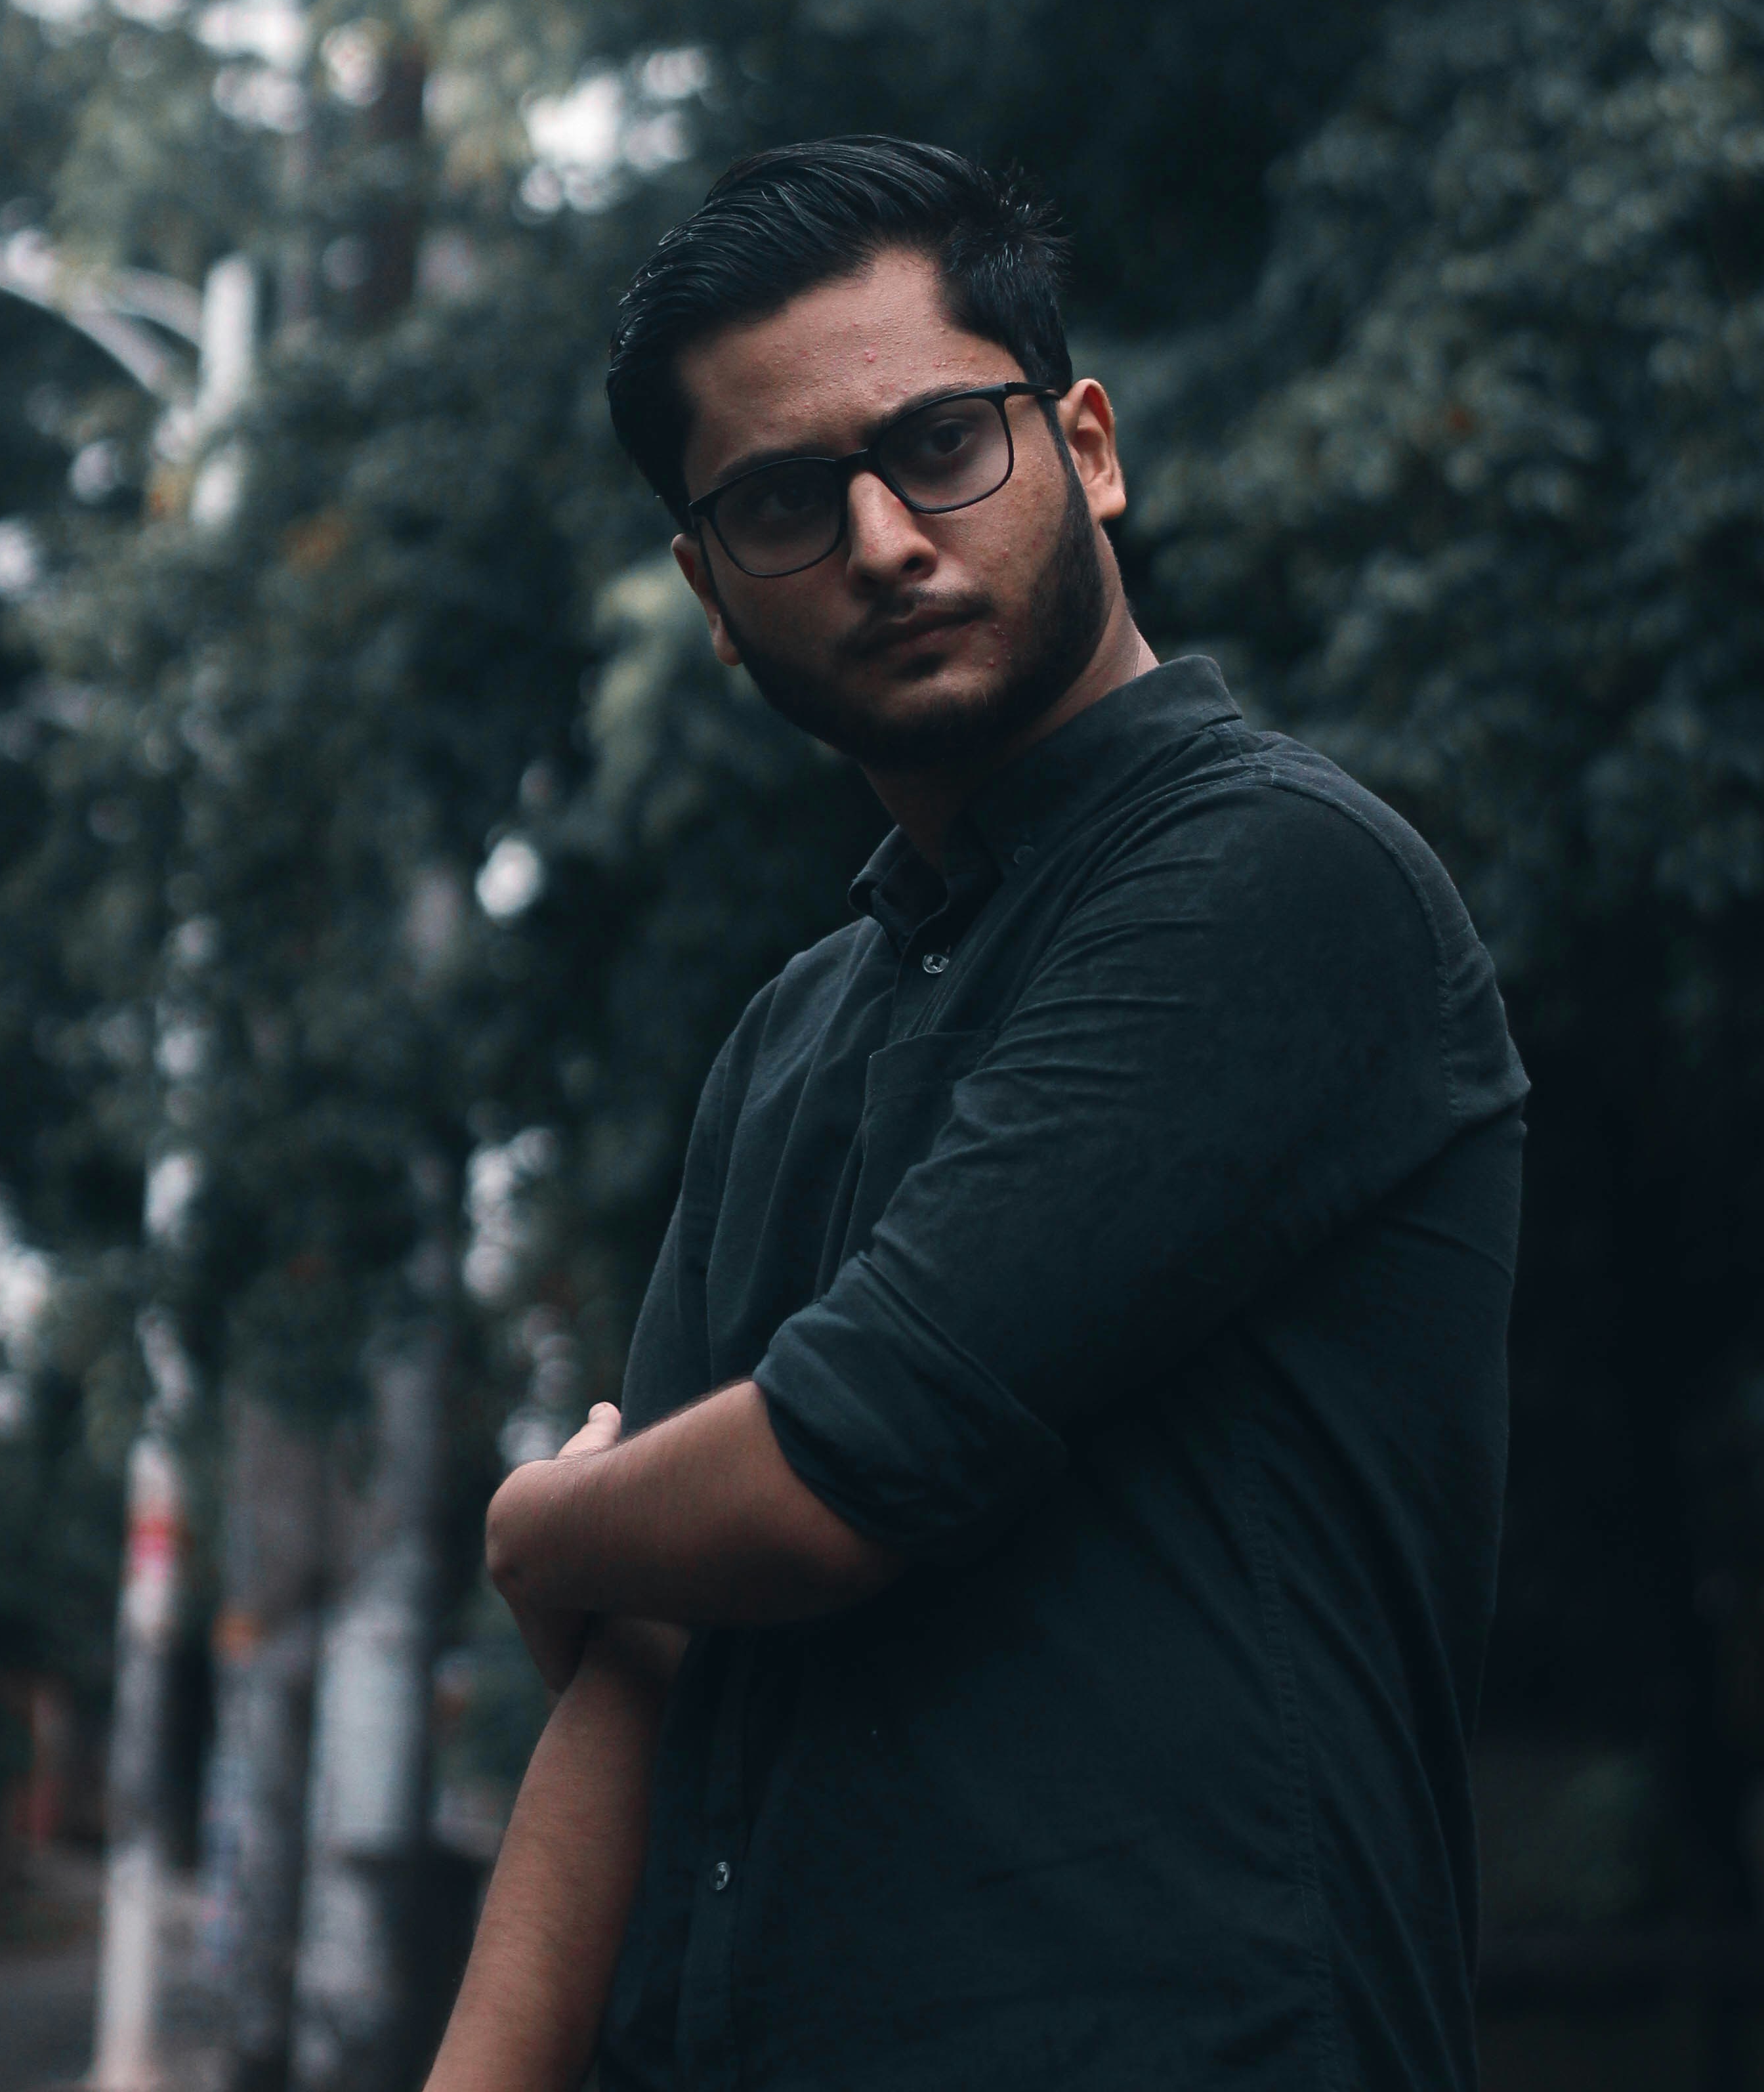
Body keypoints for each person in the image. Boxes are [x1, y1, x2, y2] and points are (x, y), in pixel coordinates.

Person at [430, 137, 1527, 2092]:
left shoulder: (1277, 881)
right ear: (706, 589)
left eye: (942, 443)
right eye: (781, 501)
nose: (880, 539)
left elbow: (837, 1473)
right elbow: (643, 1667)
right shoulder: (787, 1042)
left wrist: (542, 1520)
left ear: (1086, 447)